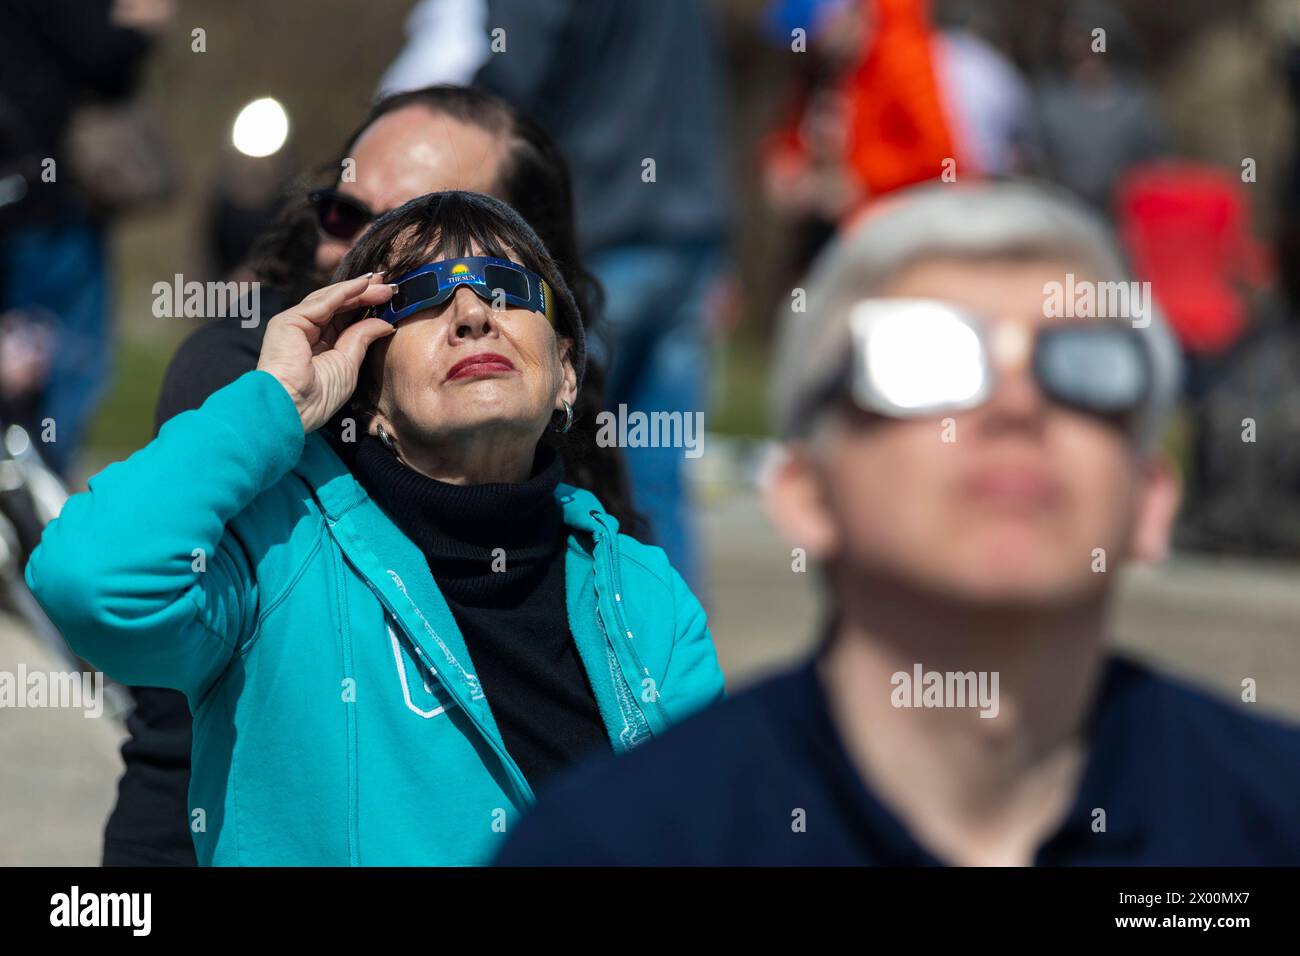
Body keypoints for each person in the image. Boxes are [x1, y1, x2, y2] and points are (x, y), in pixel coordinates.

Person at [495, 181, 1300, 866]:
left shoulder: (1271, 826)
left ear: (1149, 502)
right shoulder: (616, 849)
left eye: (1084, 366)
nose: (1016, 407)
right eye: (925, 361)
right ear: (805, 491)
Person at [27, 190, 725, 866]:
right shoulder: (275, 553)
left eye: (507, 287)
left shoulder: (647, 597)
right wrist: (273, 404)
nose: (474, 315)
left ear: (566, 374)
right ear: (370, 388)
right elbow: (88, 580)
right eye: (421, 296)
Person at [106, 84, 641, 867]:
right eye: (342, 214)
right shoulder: (253, 380)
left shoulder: (610, 537)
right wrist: (273, 407)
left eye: (422, 231)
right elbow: (98, 579)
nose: (348, 254)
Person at [381, 0, 733, 589]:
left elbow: (510, 81)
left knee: (546, 454)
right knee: (657, 477)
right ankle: (669, 659)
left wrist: (426, 129)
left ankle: (539, 642)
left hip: (599, 232)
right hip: (689, 235)